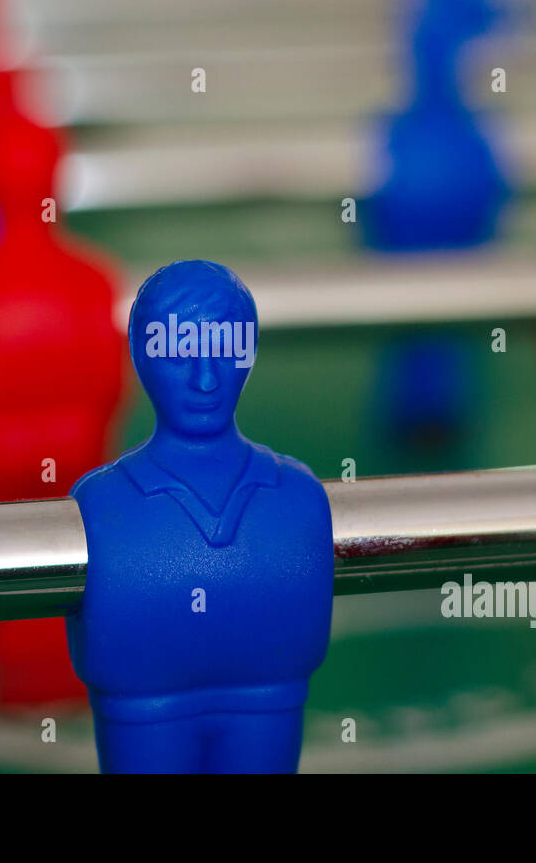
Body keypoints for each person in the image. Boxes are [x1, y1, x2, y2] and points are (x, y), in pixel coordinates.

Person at [67, 260, 335, 773]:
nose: (206, 378)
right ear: (141, 358)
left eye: (225, 348)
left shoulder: (299, 497)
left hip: (261, 703)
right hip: (145, 711)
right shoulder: (100, 508)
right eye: (179, 350)